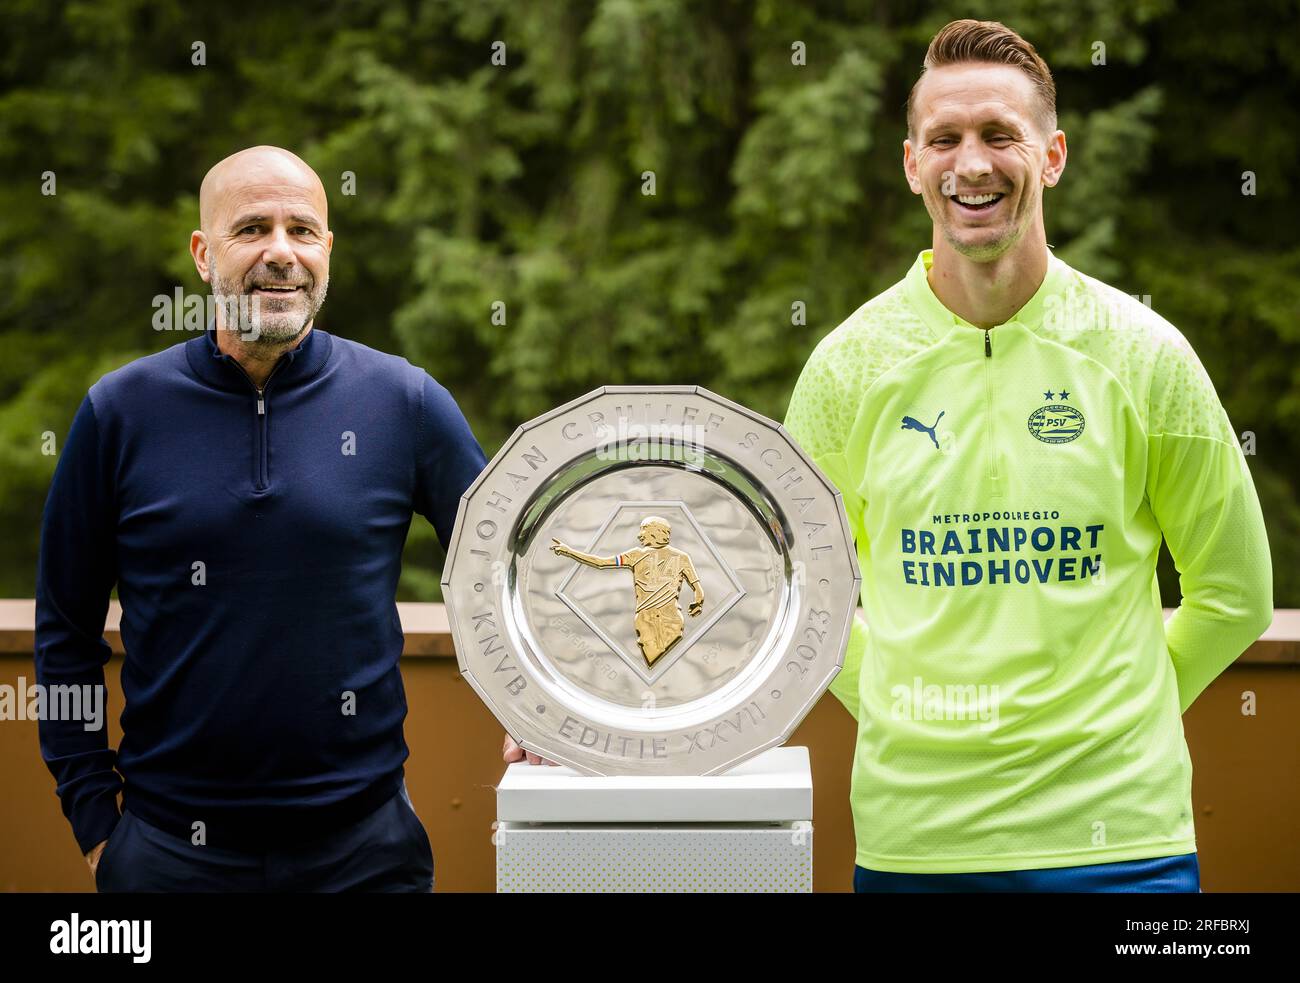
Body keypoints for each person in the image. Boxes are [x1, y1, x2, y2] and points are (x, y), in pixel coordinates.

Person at [783, 20, 1273, 892]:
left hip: (1125, 848)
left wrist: (1116, 715)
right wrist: (897, 702)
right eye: (946, 138)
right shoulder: (847, 367)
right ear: (911, 164)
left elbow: (1236, 594)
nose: (972, 163)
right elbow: (798, 597)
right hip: (916, 847)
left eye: (999, 135)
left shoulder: (1146, 355)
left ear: (1051, 157)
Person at [35, 145, 487, 892]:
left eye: (302, 230)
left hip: (367, 855)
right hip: (167, 856)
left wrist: (536, 723)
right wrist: (95, 824)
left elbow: (505, 571)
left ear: (328, 251)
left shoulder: (405, 403)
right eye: (252, 228)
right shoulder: (118, 413)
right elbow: (64, 631)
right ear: (203, 254)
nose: (282, 252)